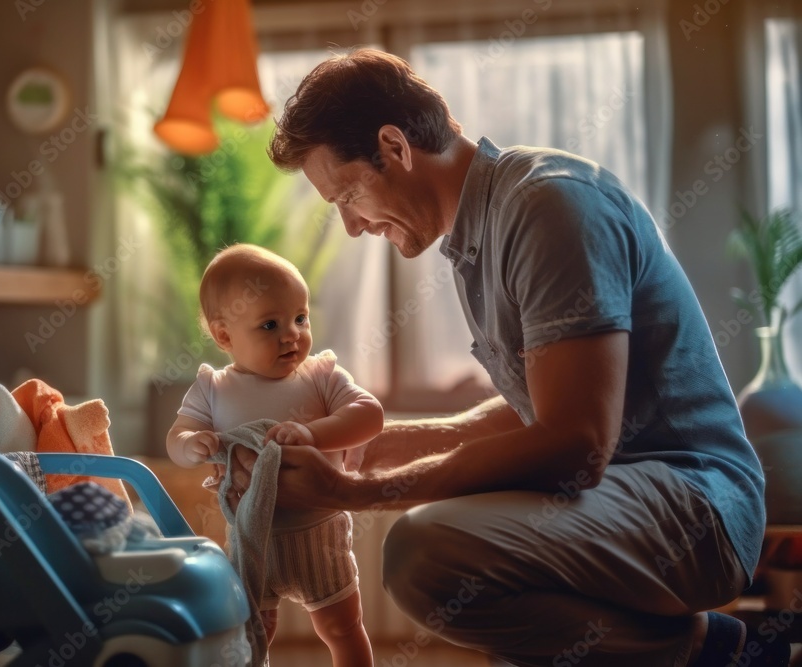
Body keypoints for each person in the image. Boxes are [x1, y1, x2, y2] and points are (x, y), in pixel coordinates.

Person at [222, 47, 800, 667]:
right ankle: (717, 649)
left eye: (346, 196)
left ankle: (708, 650)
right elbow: (540, 403)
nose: (353, 227)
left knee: (424, 550)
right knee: (457, 543)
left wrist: (355, 493)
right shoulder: (484, 229)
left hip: (698, 508)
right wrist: (373, 449)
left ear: (393, 146)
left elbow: (574, 442)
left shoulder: (546, 206)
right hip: (634, 496)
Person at [166, 243, 384, 667]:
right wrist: (191, 445)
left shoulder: (320, 375)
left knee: (342, 626)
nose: (292, 335)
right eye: (270, 324)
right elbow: (177, 436)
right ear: (224, 334)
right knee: (250, 635)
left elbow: (369, 415)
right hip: (251, 540)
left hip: (318, 533)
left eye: (300, 318)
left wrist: (311, 433)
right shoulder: (212, 390)